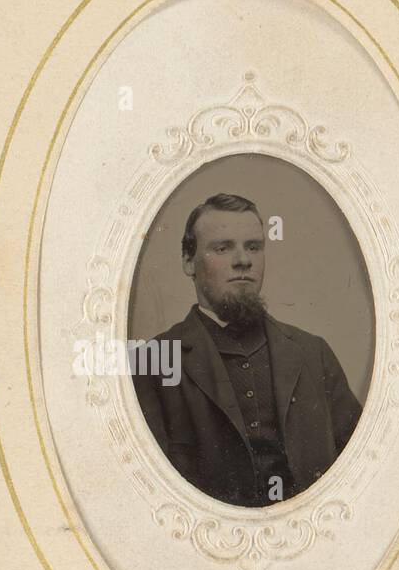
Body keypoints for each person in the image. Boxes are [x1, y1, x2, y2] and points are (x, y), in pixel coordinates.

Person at [132, 193, 362, 508]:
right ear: (188, 261)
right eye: (223, 248)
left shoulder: (313, 354)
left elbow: (361, 472)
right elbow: (145, 494)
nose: (243, 260)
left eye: (253, 247)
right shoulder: (152, 362)